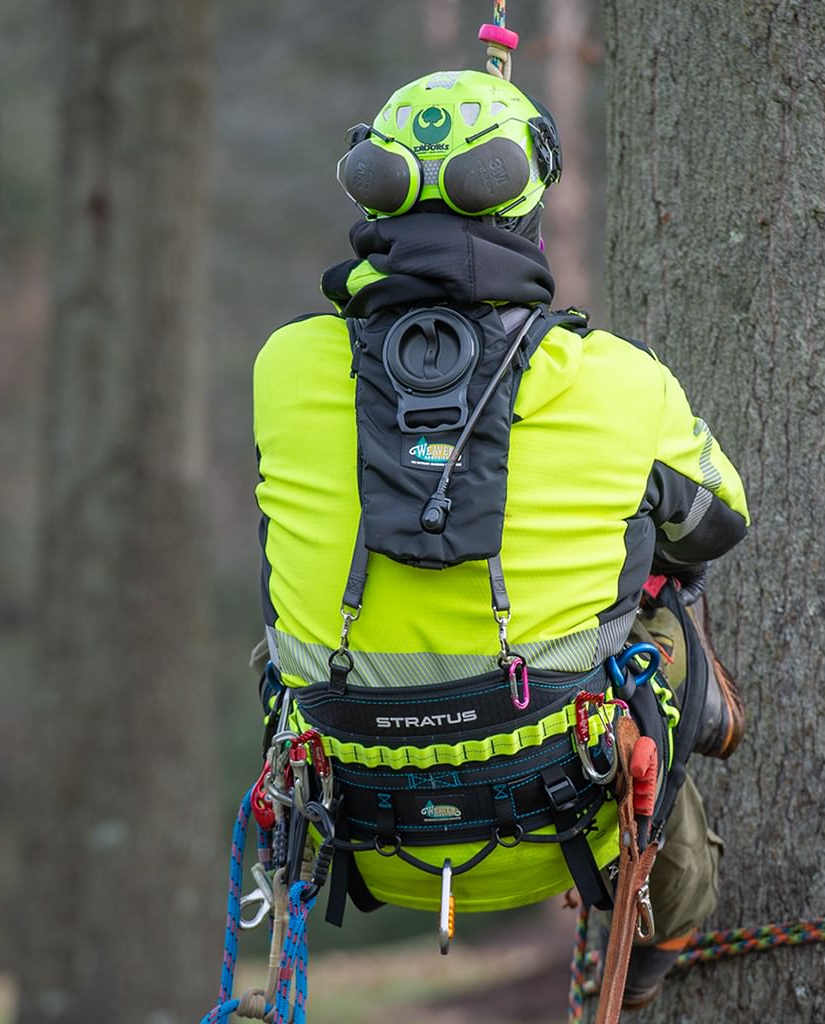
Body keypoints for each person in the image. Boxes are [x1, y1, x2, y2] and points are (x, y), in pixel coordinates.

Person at [252, 68, 750, 1011]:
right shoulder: (618, 381)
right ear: (526, 201)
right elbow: (718, 524)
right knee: (661, 609)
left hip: (353, 819)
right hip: (570, 809)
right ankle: (661, 932)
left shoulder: (282, 368)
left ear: (375, 190)